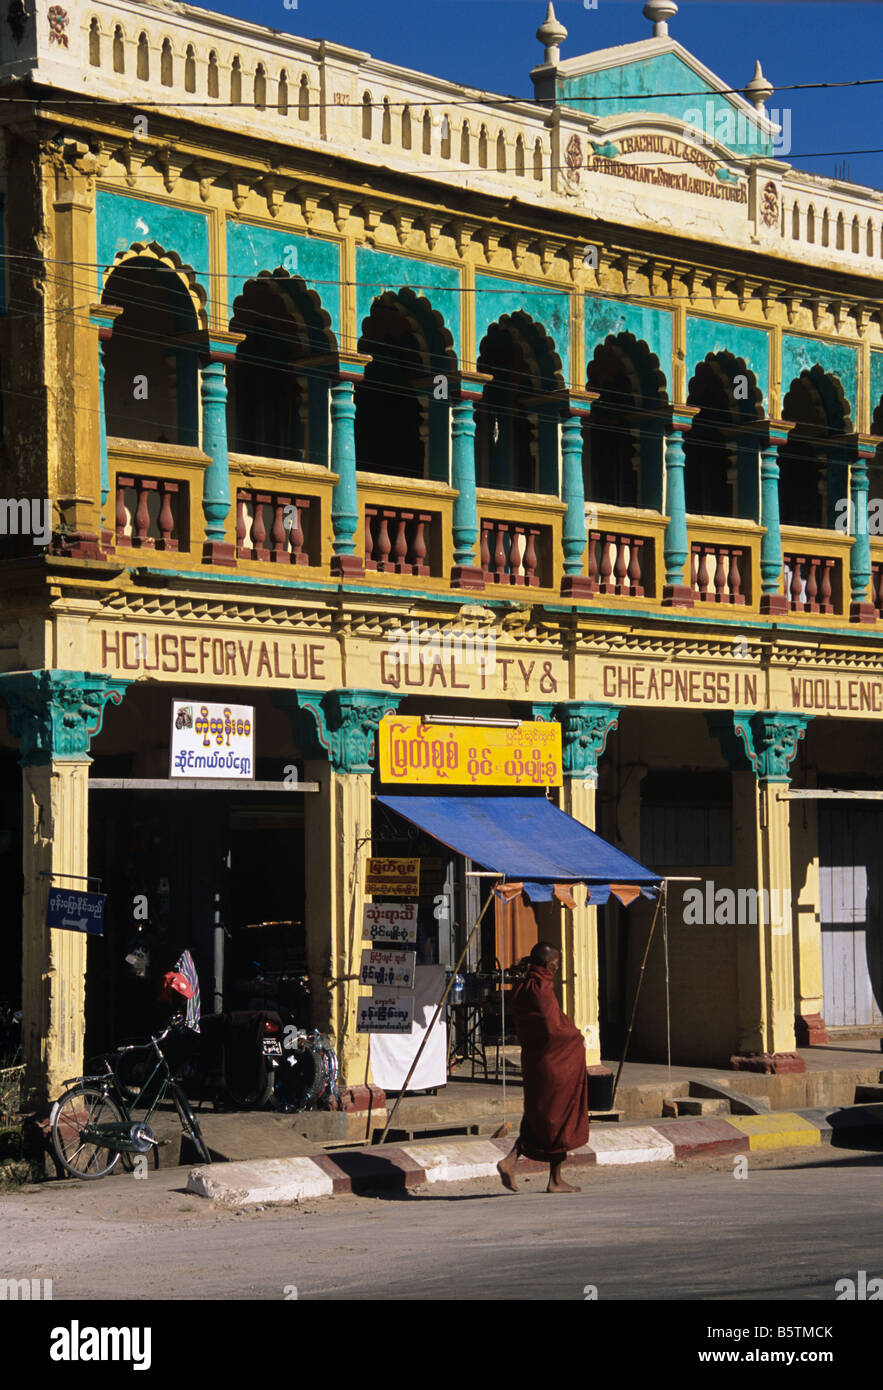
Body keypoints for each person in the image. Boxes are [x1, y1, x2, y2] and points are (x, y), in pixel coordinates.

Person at [497, 940, 589, 1194]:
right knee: (559, 1119)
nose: (557, 968)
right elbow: (552, 1028)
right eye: (556, 964)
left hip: (535, 1061)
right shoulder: (542, 988)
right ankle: (555, 1180)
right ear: (549, 964)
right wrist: (575, 1036)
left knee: (541, 1116)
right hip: (556, 1063)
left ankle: (512, 1161)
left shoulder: (522, 987)